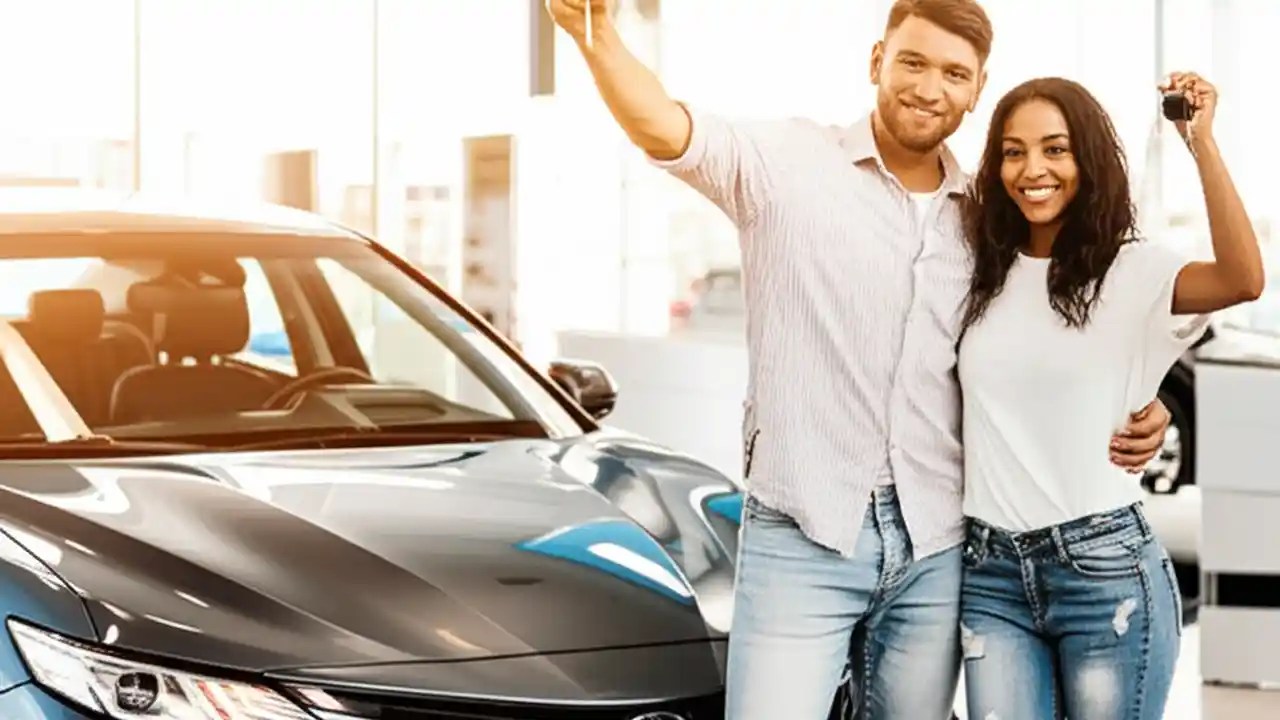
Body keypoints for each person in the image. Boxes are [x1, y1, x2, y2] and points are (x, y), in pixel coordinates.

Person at [545, 0, 1174, 717]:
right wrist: (591, 36)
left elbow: (1048, 342)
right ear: (877, 61)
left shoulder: (988, 219)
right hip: (803, 531)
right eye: (912, 62)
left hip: (937, 548)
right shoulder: (786, 165)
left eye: (953, 73)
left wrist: (1138, 400)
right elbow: (665, 126)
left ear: (976, 90)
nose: (929, 87)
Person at [955, 73, 1261, 719]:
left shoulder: (1132, 270)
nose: (1032, 168)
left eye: (1055, 148)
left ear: (1087, 159)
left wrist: (1200, 141)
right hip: (991, 574)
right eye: (1013, 151)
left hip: (1104, 571)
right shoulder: (981, 267)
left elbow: (1242, 278)